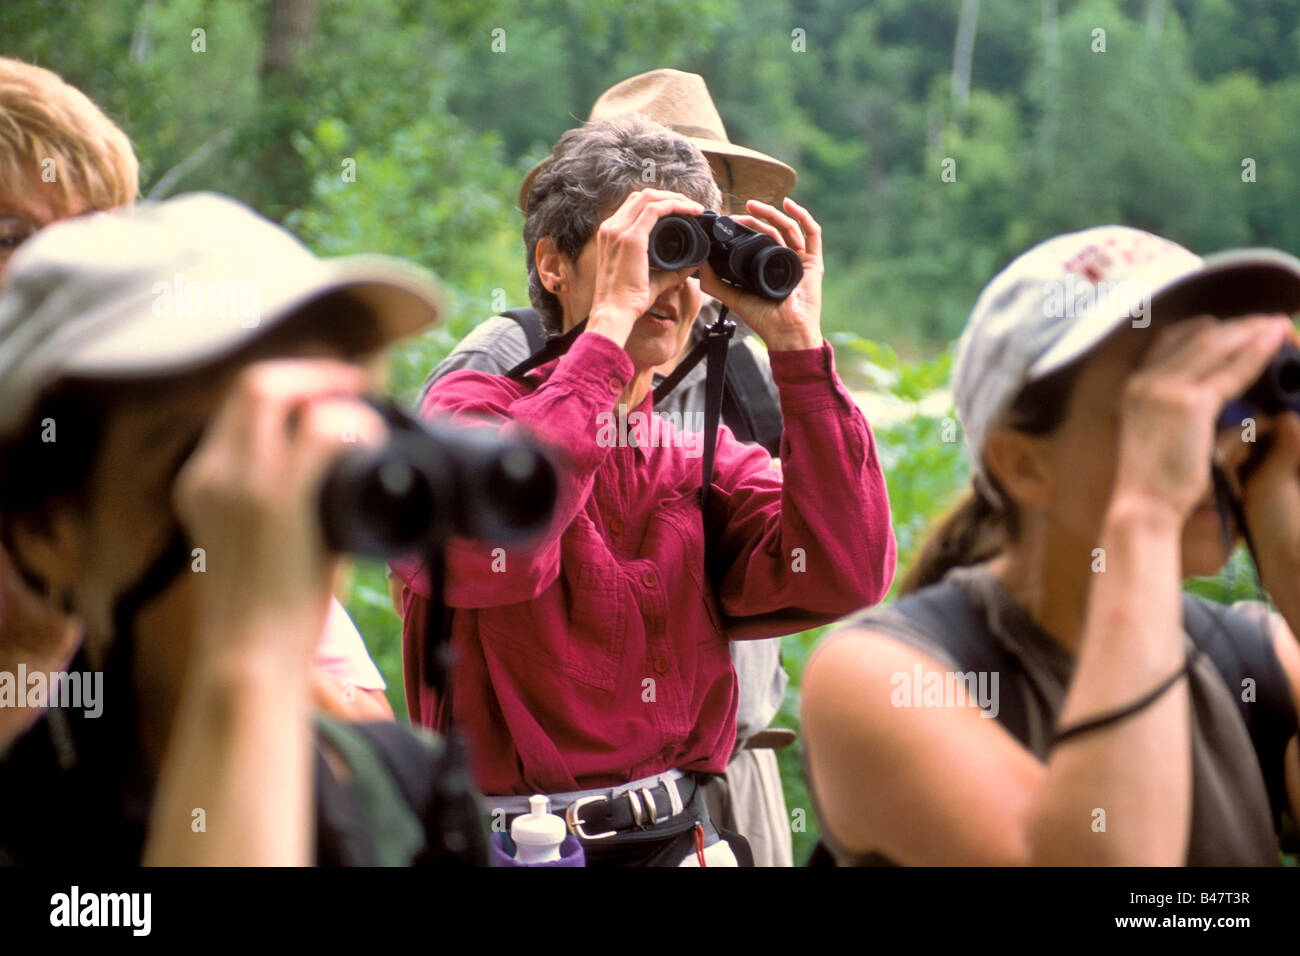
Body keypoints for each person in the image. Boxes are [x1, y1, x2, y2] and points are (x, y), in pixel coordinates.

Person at [391, 114, 896, 866]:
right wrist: (608, 332)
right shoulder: (470, 412)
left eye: (684, 257)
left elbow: (845, 573)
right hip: (512, 846)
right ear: (554, 265)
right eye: (639, 251)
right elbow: (494, 549)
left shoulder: (692, 455)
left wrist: (797, 347)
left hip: (679, 837)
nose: (667, 284)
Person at [0, 193, 486, 865]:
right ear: (46, 528)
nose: (269, 505)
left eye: (307, 442)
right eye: (210, 455)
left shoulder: (399, 790)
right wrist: (252, 657)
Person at [802, 225, 1300, 865]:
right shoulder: (880, 677)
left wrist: (1286, 545)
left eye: (1227, 390)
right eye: (1161, 400)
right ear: (1023, 465)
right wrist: (1145, 512)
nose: (1203, 429)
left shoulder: (1253, 662)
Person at [0, 56, 391, 732]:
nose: (62, 267)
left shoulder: (162, 471)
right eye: (11, 236)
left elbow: (369, 735)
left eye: (93, 229)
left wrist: (246, 649)